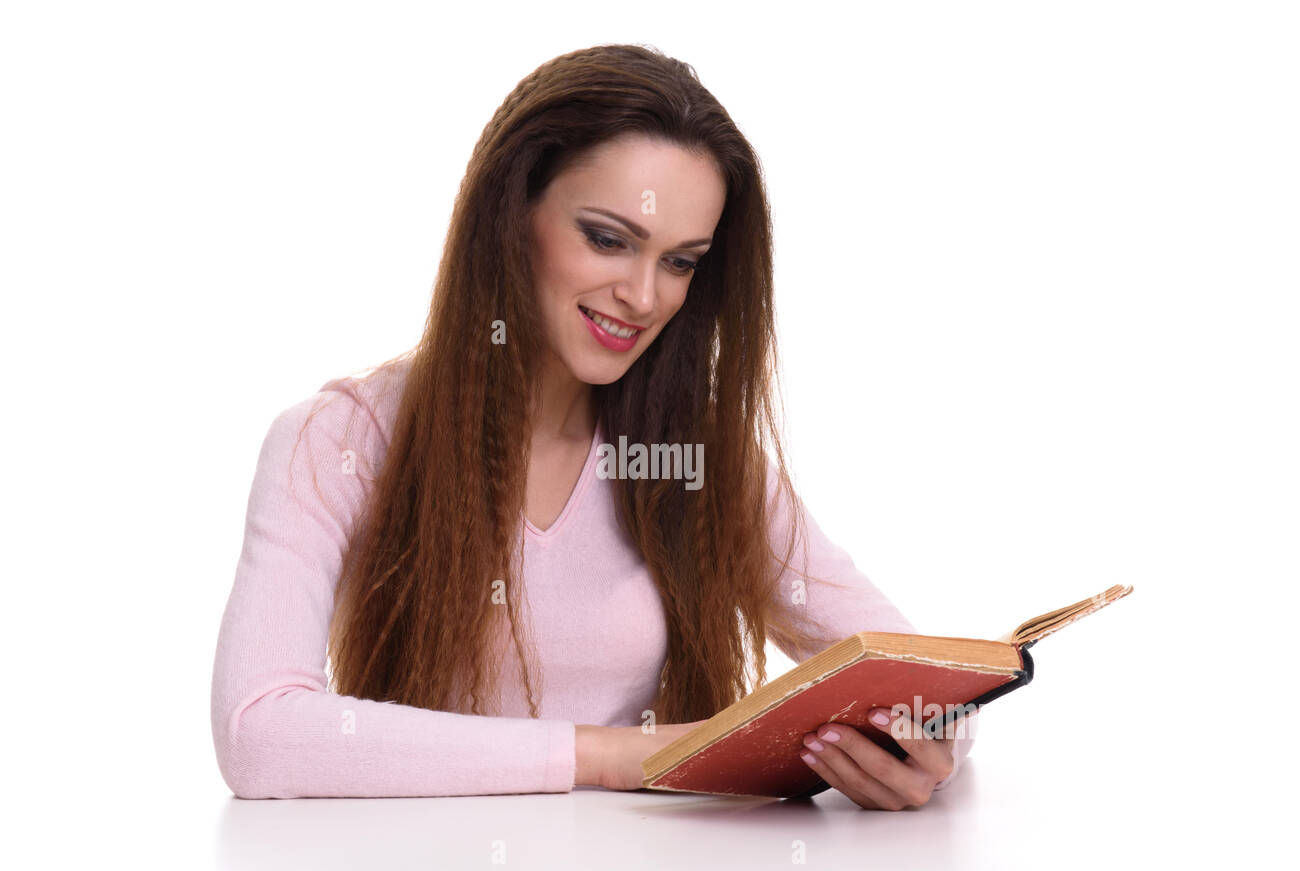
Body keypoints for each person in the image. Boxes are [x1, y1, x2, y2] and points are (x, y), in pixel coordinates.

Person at [211, 43, 976, 809]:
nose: (643, 296)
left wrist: (930, 745)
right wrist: (609, 755)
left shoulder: (694, 456)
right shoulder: (337, 442)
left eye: (680, 262)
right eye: (609, 239)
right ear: (512, 213)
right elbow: (259, 734)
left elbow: (926, 678)